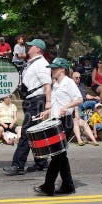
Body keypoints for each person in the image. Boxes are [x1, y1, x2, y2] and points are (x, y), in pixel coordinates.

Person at [33, 58, 83, 196]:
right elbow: (57, 102)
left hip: (65, 121)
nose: (52, 70)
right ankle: (68, 185)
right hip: (56, 120)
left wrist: (66, 107)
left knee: (57, 155)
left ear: (62, 69)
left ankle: (47, 186)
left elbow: (79, 99)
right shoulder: (56, 84)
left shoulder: (69, 82)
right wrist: (48, 111)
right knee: (61, 155)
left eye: (55, 68)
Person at [3, 39, 52, 175]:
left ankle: (18, 165)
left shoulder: (41, 64)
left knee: (26, 132)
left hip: (37, 101)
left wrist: (48, 103)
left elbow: (47, 84)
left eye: (31, 46)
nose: (28, 47)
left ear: (38, 49)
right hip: (31, 100)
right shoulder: (34, 63)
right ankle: (41, 162)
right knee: (35, 133)